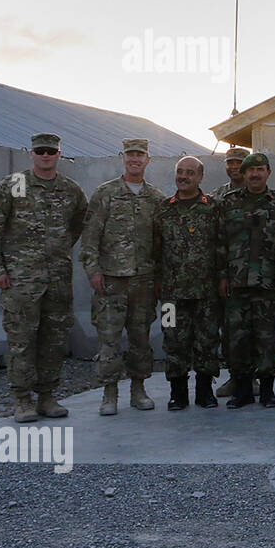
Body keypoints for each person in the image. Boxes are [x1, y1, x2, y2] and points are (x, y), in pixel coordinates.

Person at [0, 132, 87, 423]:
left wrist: (57, 251)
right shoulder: (14, 185)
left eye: (51, 151)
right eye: (41, 151)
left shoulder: (70, 190)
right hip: (20, 282)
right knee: (22, 340)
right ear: (31, 153)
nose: (46, 156)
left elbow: (77, 226)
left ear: (59, 154)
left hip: (57, 280)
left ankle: (48, 396)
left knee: (54, 339)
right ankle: (22, 400)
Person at [80, 138, 164, 416]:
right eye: (130, 155)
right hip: (111, 281)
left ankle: (138, 389)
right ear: (122, 158)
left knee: (141, 338)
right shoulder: (105, 194)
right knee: (109, 338)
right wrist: (93, 271)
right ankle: (109, 393)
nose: (135, 160)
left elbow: (162, 243)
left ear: (148, 160)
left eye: (140, 155)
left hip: (143, 281)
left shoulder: (156, 199)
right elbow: (90, 237)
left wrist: (160, 278)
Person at [152, 156, 225, 409]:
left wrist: (223, 278)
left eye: (190, 173)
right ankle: (178, 393)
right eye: (180, 172)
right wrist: (157, 282)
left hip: (206, 291)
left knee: (207, 341)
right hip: (172, 292)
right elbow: (155, 250)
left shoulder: (213, 208)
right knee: (174, 340)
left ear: (200, 177)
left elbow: (222, 247)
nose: (184, 176)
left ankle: (205, 390)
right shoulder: (163, 209)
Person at [218, 152, 275, 408]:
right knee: (237, 340)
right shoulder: (228, 203)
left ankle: (268, 390)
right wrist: (222, 277)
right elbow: (220, 243)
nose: (255, 174)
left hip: (267, 284)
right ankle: (243, 390)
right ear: (243, 174)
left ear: (268, 172)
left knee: (268, 339)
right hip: (236, 284)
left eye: (260, 169)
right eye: (250, 170)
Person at [212, 146, 249, 400]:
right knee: (230, 330)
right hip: (228, 274)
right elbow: (214, 237)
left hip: (257, 275)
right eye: (230, 162)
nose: (234, 166)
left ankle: (253, 379)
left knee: (257, 330)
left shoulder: (260, 194)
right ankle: (234, 378)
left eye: (239, 162)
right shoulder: (217, 197)